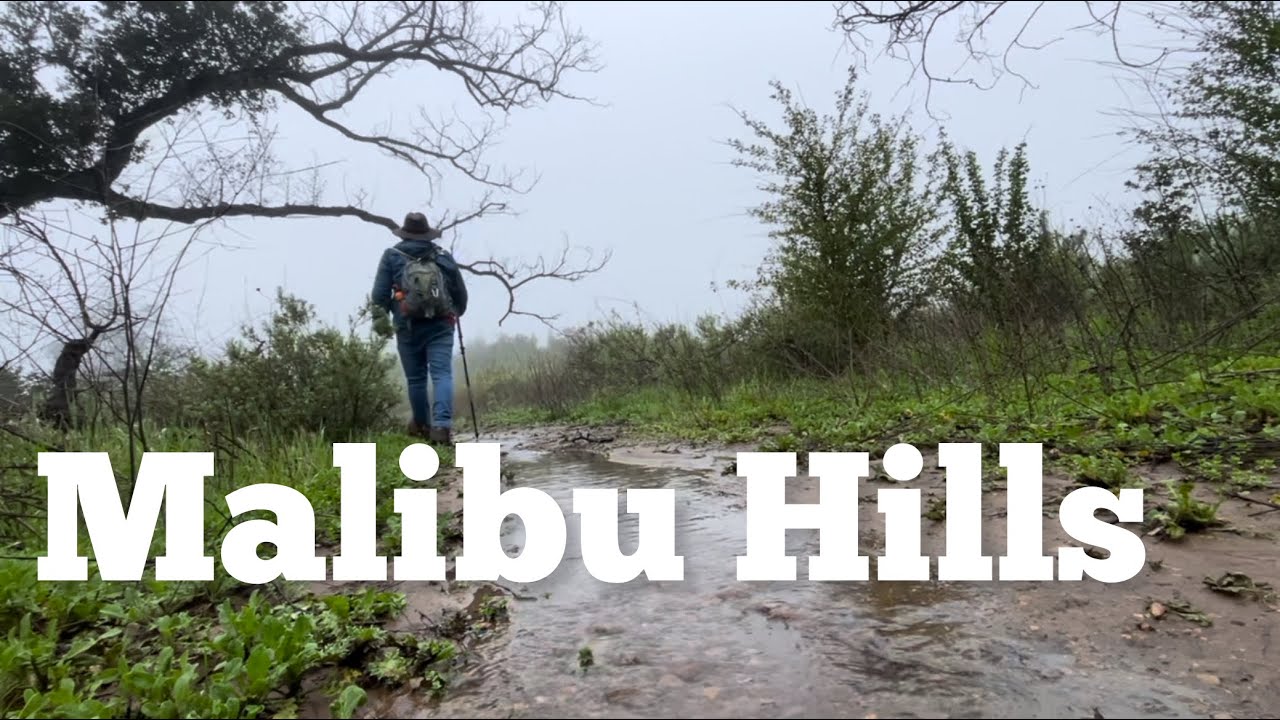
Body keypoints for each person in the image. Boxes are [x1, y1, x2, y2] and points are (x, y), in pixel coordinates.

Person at [371, 212, 468, 444]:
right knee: (442, 374)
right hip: (441, 324)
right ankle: (442, 427)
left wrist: (381, 322)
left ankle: (423, 426)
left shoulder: (392, 256)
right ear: (427, 233)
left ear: (405, 232)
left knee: (416, 379)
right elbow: (460, 293)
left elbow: (379, 296)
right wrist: (456, 312)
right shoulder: (443, 256)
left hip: (408, 326)